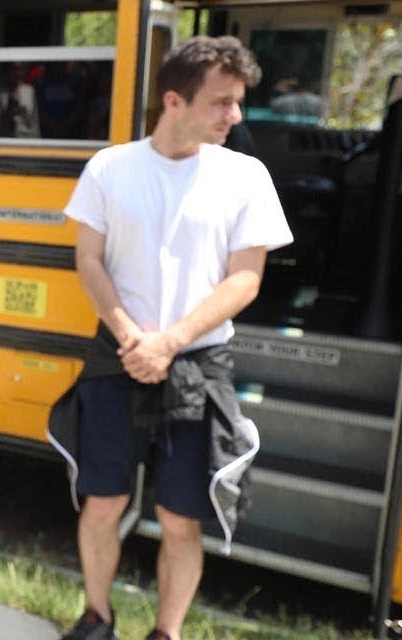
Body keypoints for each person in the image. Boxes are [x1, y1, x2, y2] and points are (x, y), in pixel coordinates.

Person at [48, 36, 291, 640]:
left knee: (181, 518)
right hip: (117, 354)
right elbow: (89, 260)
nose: (236, 115)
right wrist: (133, 337)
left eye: (237, 102)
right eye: (223, 102)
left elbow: (246, 277)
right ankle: (98, 617)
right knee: (101, 503)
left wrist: (169, 341)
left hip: (198, 364)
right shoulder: (110, 167)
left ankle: (167, 632)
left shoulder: (246, 175)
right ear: (174, 100)